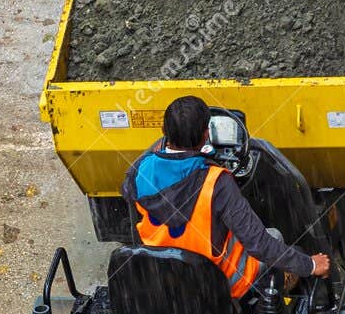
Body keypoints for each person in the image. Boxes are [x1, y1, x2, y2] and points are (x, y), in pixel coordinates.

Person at [123, 94, 330, 299]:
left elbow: (132, 189)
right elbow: (259, 244)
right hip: (217, 286)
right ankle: (275, 298)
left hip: (167, 278)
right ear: (206, 135)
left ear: (163, 132)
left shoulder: (138, 171)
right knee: (274, 236)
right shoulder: (217, 182)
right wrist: (310, 265)